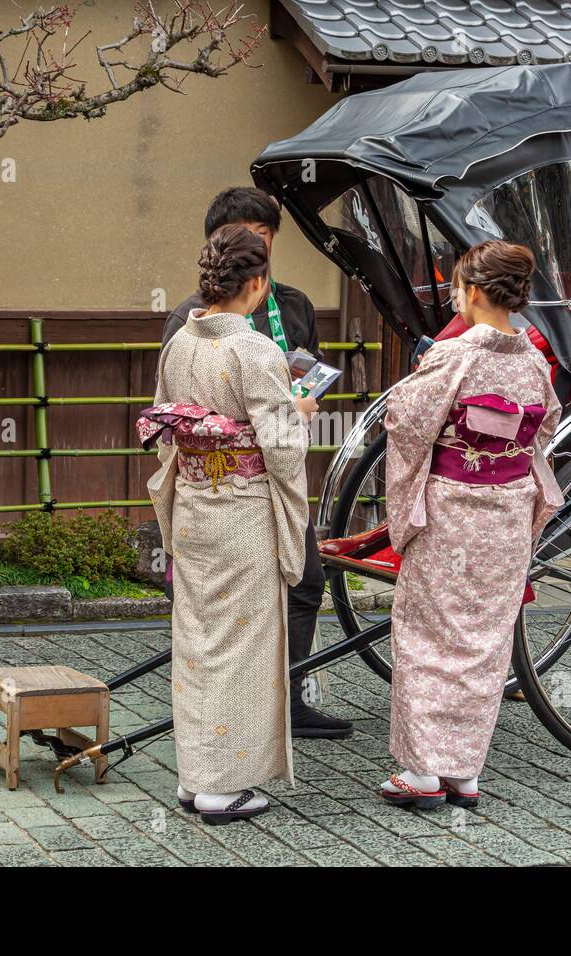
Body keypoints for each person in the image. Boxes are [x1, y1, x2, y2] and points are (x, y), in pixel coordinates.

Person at [164, 186, 353, 741]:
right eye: (248, 239)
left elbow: (301, 380)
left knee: (304, 581)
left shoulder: (291, 306)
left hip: (278, 474)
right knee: (224, 614)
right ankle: (223, 730)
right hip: (226, 488)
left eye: (266, 238)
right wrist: (284, 413)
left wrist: (295, 399)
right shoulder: (186, 322)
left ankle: (287, 698)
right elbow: (183, 413)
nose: (260, 249)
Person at [379, 240, 563, 809]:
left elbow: (404, 424)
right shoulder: (534, 360)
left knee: (428, 634)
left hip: (452, 513)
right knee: (484, 640)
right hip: (506, 512)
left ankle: (422, 772)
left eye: (458, 288)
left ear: (474, 292)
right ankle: (464, 772)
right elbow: (544, 430)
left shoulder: (454, 356)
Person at [143, 224, 315, 824]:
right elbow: (283, 449)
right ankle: (222, 783)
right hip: (242, 512)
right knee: (239, 648)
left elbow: (170, 435)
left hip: (194, 503)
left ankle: (196, 777)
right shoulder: (253, 349)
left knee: (197, 642)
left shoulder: (180, 345)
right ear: (258, 284)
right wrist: (299, 412)